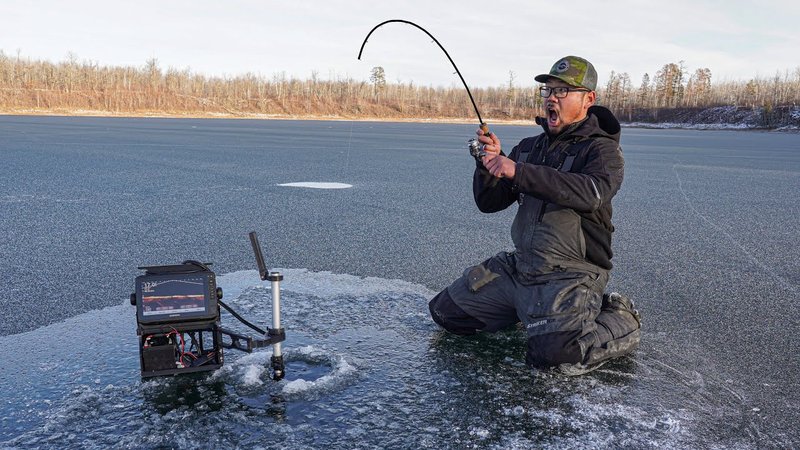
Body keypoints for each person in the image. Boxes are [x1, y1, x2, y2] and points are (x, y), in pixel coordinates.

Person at [429, 55, 641, 375]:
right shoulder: (529, 148)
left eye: (563, 91)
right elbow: (490, 202)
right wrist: (489, 163)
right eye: (548, 90)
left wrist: (518, 171)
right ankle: (527, 311)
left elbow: (592, 193)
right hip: (521, 267)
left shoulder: (602, 151)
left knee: (555, 356)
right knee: (448, 313)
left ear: (589, 99)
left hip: (571, 273)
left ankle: (620, 319)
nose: (552, 98)